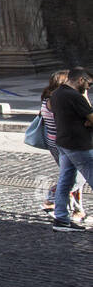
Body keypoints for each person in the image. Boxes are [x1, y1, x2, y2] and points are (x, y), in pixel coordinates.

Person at [50, 67, 93, 232]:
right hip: (79, 144)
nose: (88, 88)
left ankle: (61, 219)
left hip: (63, 142)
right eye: (88, 84)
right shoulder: (75, 96)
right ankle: (61, 219)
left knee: (65, 181)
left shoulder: (57, 94)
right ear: (81, 80)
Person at [39, 71, 69, 214]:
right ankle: (51, 199)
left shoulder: (46, 99)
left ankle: (72, 207)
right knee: (72, 177)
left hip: (53, 142)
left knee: (68, 174)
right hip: (64, 143)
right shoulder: (58, 101)